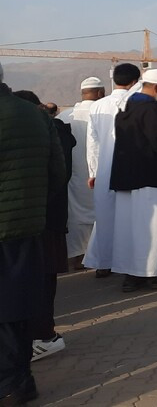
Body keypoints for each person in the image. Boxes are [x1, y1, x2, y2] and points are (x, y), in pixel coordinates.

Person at [0, 63, 65, 406]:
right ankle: (19, 382)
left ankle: (11, 385)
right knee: (20, 306)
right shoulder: (36, 115)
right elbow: (57, 174)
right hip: (27, 226)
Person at [14, 92, 72, 364]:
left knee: (39, 282)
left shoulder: (48, 130)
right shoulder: (52, 129)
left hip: (38, 220)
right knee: (42, 281)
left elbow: (58, 175)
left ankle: (45, 337)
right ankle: (42, 335)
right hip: (45, 218)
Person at [109, 69, 157, 292]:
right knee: (155, 227)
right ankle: (152, 273)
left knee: (132, 229)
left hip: (128, 176)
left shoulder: (126, 108)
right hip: (153, 178)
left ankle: (133, 273)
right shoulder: (151, 109)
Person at [83, 63, 140, 278]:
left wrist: (93, 171)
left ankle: (104, 263)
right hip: (130, 168)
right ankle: (129, 265)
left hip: (104, 169)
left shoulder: (97, 106)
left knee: (105, 219)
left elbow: (93, 142)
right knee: (131, 217)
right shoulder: (134, 102)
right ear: (135, 81)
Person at [60, 77, 104, 269]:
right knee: (102, 213)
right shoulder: (106, 114)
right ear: (101, 93)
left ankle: (77, 258)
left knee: (76, 215)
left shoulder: (65, 116)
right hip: (100, 175)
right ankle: (99, 257)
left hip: (74, 177)